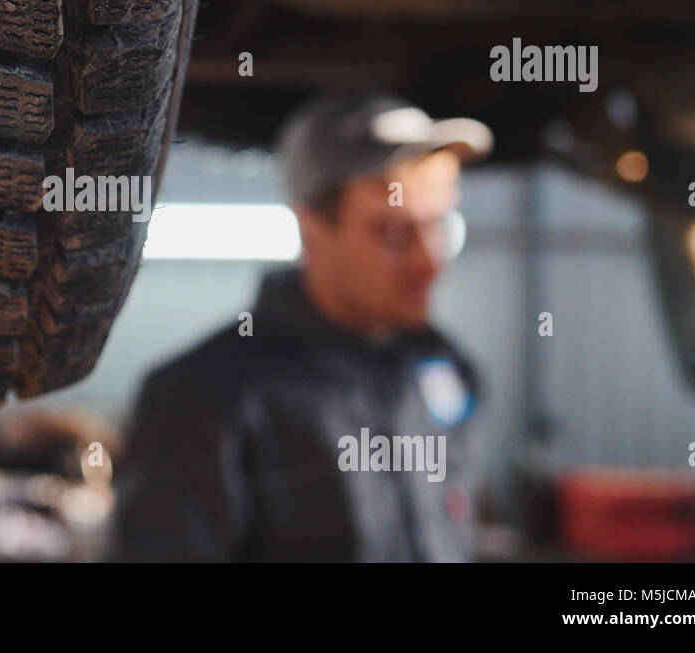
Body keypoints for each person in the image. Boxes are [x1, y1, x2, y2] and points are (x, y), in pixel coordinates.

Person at [112, 93, 494, 562]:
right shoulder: (203, 399)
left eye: (438, 226)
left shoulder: (445, 369)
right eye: (394, 234)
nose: (430, 263)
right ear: (313, 234)